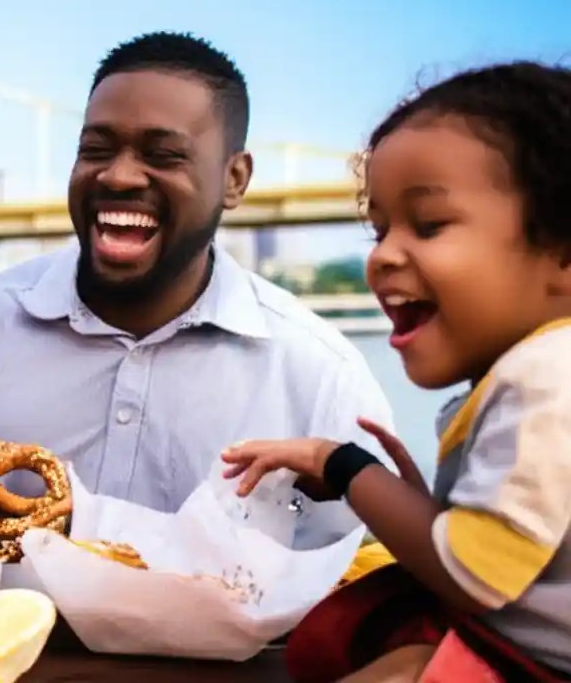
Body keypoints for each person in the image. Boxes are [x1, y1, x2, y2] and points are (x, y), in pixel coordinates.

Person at [0, 32, 395, 552]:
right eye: (95, 149)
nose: (118, 176)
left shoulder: (320, 375)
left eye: (163, 155)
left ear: (235, 179)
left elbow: (368, 584)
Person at [222, 62, 571, 681]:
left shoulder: (547, 381)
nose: (382, 255)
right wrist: (414, 504)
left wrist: (342, 465)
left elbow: (474, 574)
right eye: (379, 230)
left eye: (429, 225)